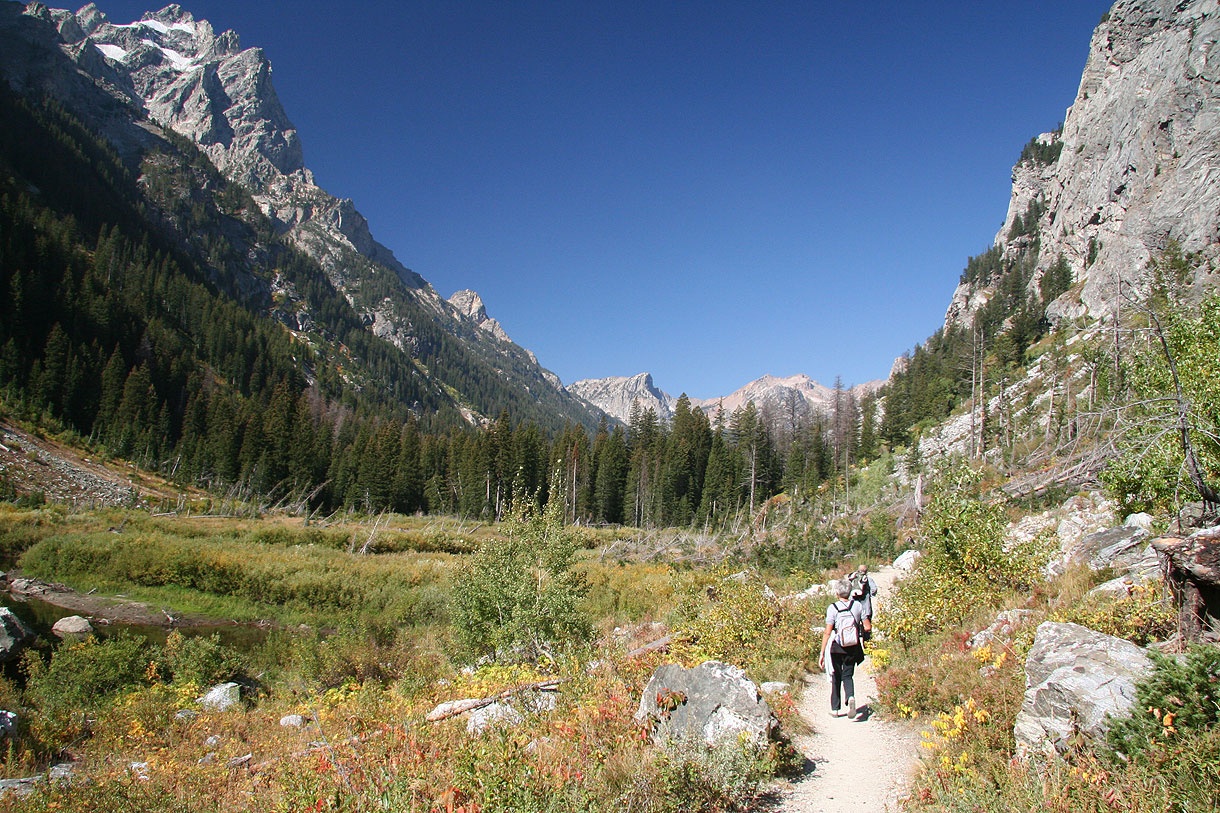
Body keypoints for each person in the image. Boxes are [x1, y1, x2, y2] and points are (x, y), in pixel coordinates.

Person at [818, 579, 868, 719]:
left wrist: (822, 653)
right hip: (853, 646)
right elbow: (867, 626)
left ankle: (835, 709)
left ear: (837, 593)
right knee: (848, 675)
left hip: (837, 646)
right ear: (850, 591)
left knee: (836, 675)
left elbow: (827, 632)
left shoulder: (833, 608)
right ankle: (850, 696)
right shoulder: (857, 605)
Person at [850, 564, 879, 632]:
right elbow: (874, 589)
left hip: (854, 605)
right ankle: (867, 635)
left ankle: (856, 634)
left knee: (855, 622)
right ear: (866, 571)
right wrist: (870, 595)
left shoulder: (853, 579)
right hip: (866, 605)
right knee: (867, 620)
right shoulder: (868, 579)